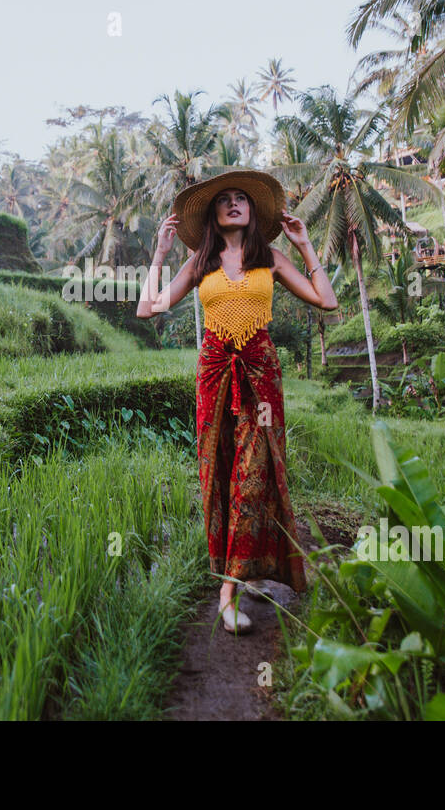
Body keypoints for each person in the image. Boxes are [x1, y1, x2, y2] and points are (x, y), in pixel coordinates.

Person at [135, 169, 339, 634]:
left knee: (253, 473)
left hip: (260, 374)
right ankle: (236, 573)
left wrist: (305, 245)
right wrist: (160, 255)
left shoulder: (269, 257)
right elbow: (149, 309)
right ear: (213, 212)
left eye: (240, 199)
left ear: (252, 212)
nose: (232, 204)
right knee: (219, 472)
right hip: (213, 375)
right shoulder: (200, 261)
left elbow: (325, 300)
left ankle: (229, 592)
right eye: (223, 199)